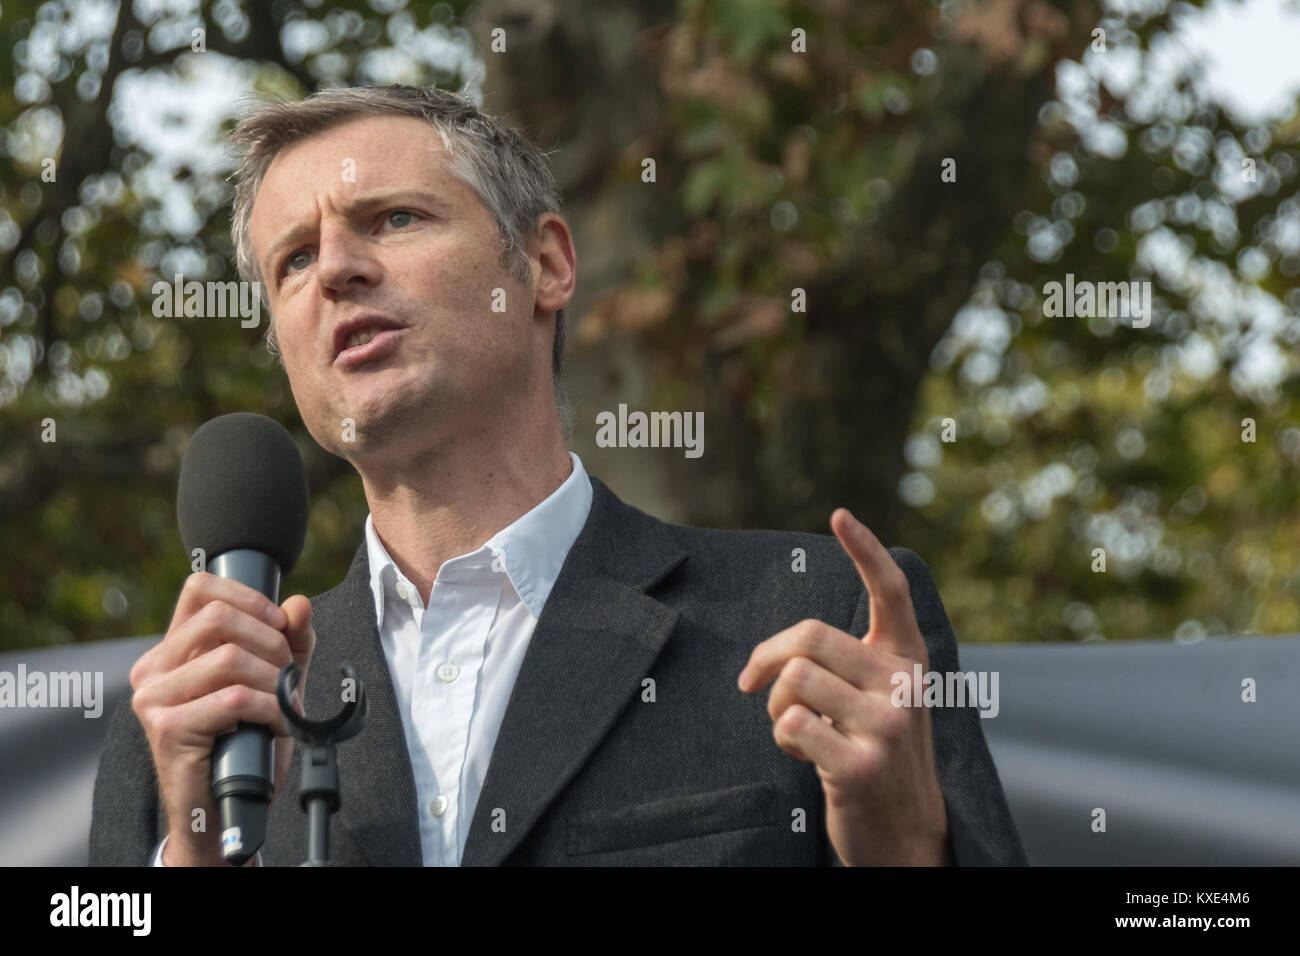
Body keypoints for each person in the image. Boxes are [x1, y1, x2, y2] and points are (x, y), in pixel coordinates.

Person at [90, 85, 1025, 867]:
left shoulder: (815, 616)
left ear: (543, 264)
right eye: (293, 258)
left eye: (395, 218)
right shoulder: (197, 710)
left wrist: (910, 848)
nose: (335, 268)